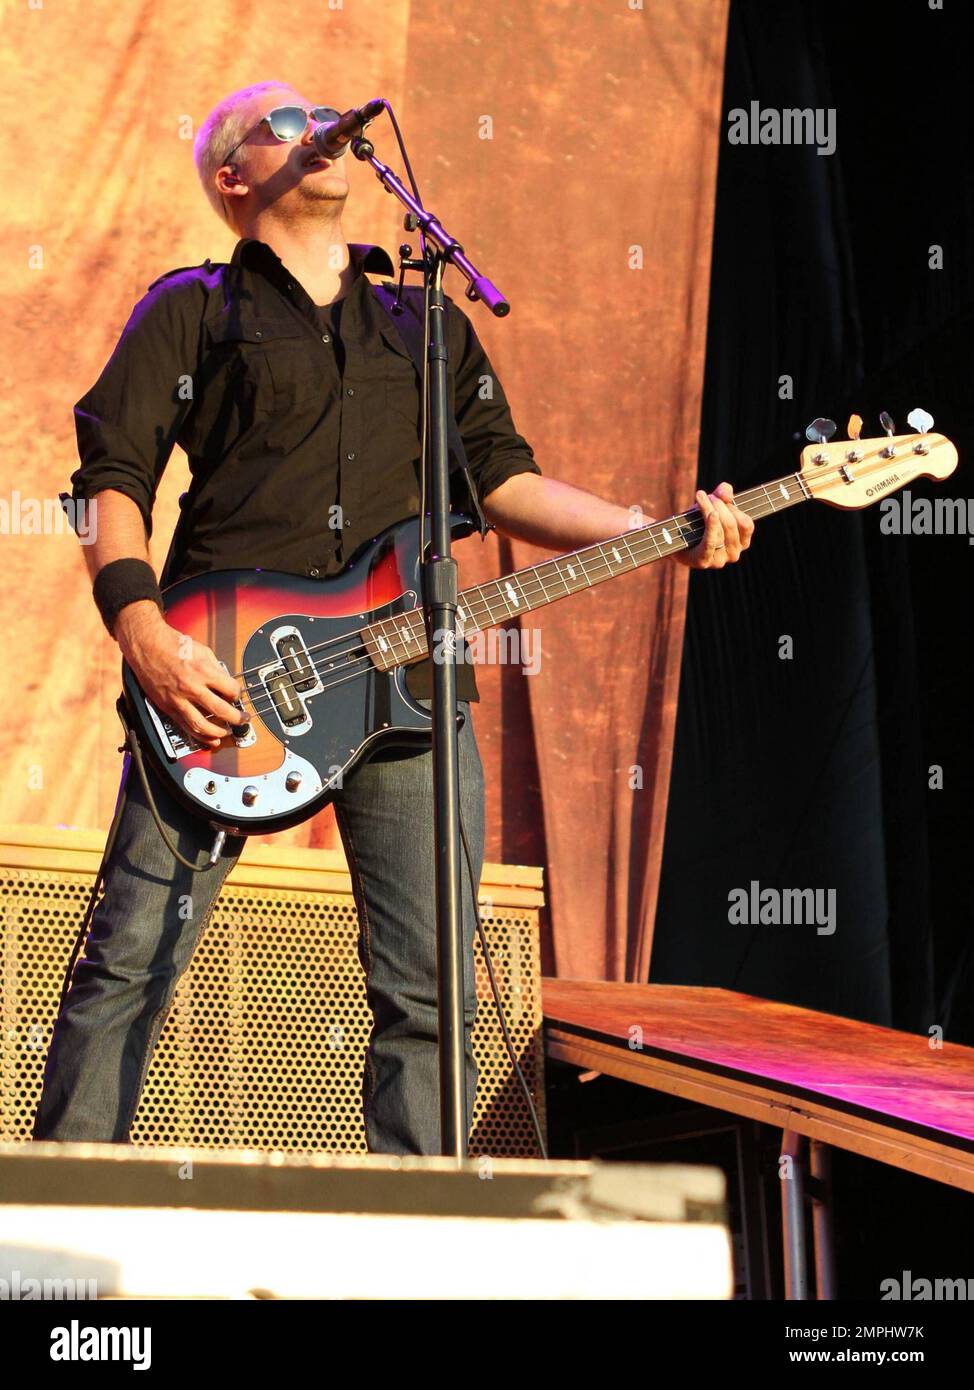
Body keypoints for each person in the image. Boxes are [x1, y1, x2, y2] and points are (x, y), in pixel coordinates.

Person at [33, 81, 753, 1155]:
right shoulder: (190, 309)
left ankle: (413, 1233)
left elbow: (504, 484)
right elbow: (114, 476)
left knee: (430, 989)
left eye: (318, 113)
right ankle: (57, 1220)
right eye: (282, 122)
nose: (317, 126)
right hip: (217, 677)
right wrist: (143, 632)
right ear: (233, 178)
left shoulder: (425, 323)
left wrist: (658, 529)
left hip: (410, 689)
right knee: (130, 957)